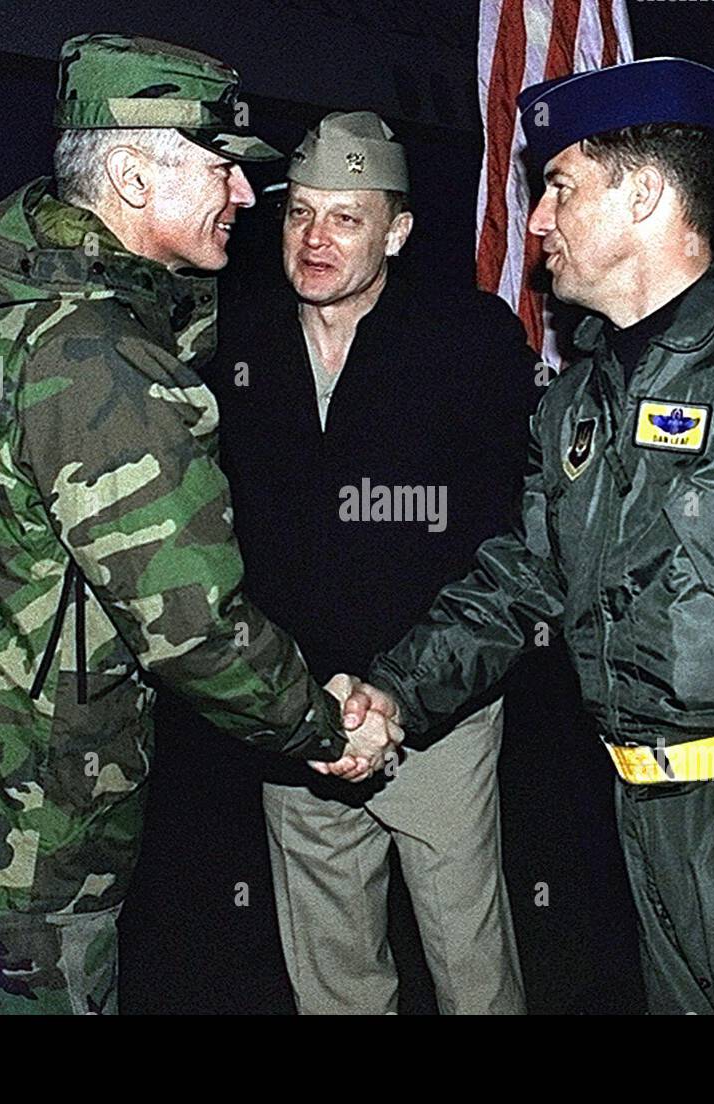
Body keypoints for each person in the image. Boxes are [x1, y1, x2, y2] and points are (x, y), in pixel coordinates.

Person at [332, 57, 714, 1015]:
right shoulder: (581, 397)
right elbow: (521, 578)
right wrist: (396, 690)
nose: (535, 222)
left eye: (556, 188)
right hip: (643, 822)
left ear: (646, 197)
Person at [0, 33, 398, 1016]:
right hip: (11, 845)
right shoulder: (98, 360)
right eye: (223, 169)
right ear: (133, 177)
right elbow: (193, 629)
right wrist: (319, 724)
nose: (243, 196)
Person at [202, 111, 535, 1014]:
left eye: (347, 218)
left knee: (471, 972)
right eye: (300, 213)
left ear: (398, 232)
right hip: (293, 708)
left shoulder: (469, 342)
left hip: (432, 713)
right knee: (333, 983)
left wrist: (395, 693)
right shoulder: (233, 338)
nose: (315, 239)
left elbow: (508, 543)